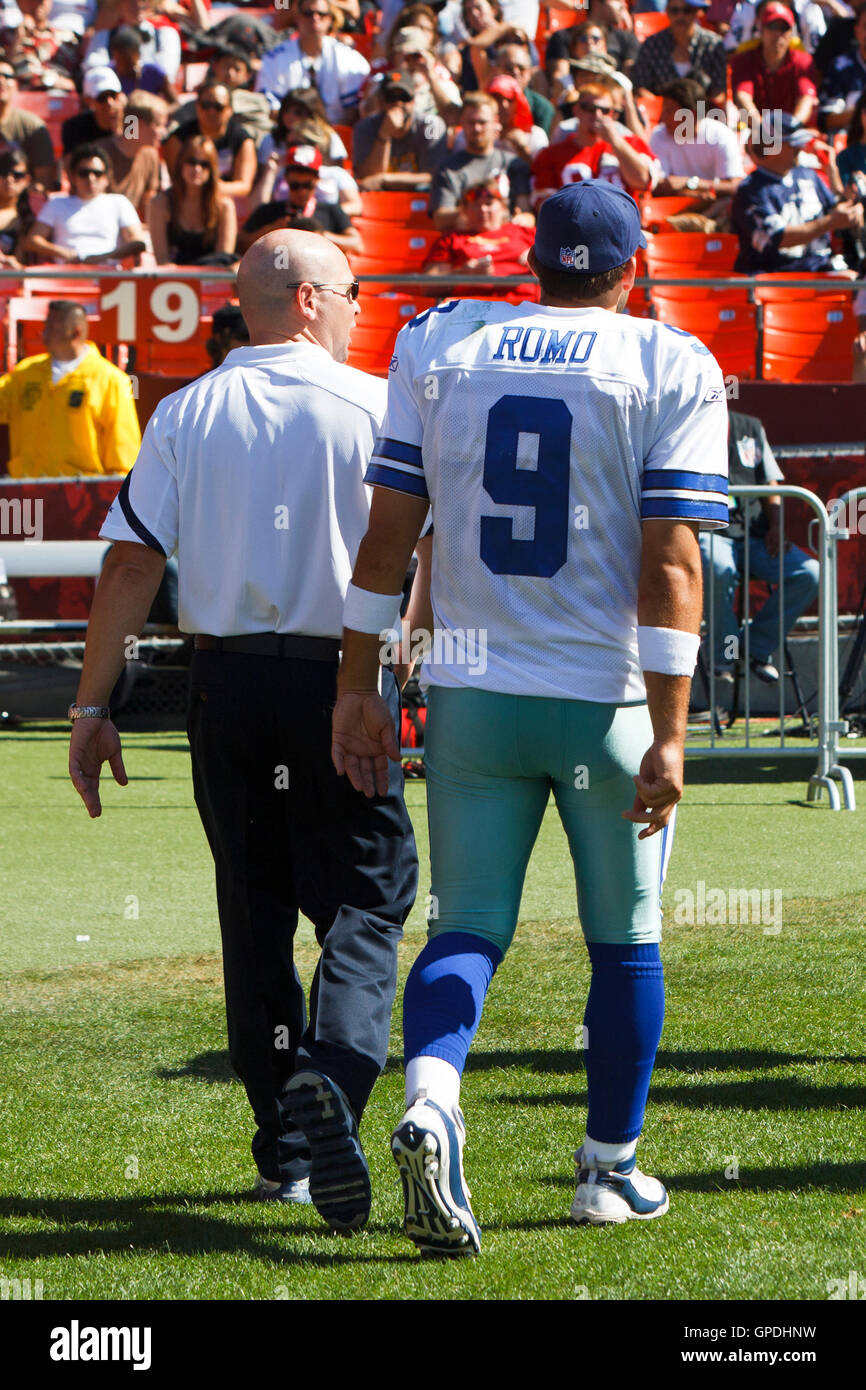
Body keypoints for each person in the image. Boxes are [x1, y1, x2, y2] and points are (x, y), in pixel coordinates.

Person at [331, 178, 729, 1255]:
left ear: (533, 264)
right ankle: (606, 1169)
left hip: (471, 689)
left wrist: (354, 686)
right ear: (630, 270)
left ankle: (428, 1097)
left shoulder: (442, 339)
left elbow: (383, 544)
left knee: (462, 925)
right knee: (625, 943)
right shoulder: (665, 360)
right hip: (599, 696)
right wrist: (672, 728)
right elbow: (670, 561)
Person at [68, 229, 419, 1232]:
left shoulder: (185, 411)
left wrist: (93, 707)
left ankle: (284, 1149)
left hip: (221, 685)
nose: (359, 305)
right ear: (309, 298)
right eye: (350, 290)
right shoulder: (370, 406)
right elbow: (414, 554)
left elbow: (131, 565)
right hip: (340, 678)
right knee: (366, 897)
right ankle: (330, 1080)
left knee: (254, 911)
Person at [700, 409, 819, 685]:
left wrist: (776, 526)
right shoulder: (688, 422)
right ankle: (723, 654)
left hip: (755, 535)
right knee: (718, 568)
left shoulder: (751, 427)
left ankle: (755, 647)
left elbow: (770, 481)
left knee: (810, 573)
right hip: (712, 531)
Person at [0, 299, 140, 476]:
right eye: (45, 325)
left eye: (52, 326)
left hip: (82, 497)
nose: (44, 332)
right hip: (28, 492)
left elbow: (123, 451)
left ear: (76, 332)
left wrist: (113, 492)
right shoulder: (25, 373)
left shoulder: (111, 380)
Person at [731, 111, 862, 271]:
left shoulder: (807, 175)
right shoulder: (751, 190)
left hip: (820, 269)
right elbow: (779, 238)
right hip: (775, 278)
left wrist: (833, 174)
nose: (800, 149)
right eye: (794, 144)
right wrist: (831, 222)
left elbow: (836, 212)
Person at [530, 81, 657, 205]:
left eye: (605, 110)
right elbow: (545, 206)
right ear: (576, 110)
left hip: (624, 223)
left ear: (612, 114)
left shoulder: (631, 144)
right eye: (589, 108)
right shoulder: (552, 154)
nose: (597, 115)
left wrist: (615, 141)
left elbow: (643, 181)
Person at [25, 142, 146, 263]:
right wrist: (65, 254)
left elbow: (137, 242)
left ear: (107, 178)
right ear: (72, 177)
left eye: (97, 173)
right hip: (65, 274)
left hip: (108, 275)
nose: (91, 179)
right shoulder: (56, 203)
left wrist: (103, 258)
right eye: (84, 173)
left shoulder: (119, 202)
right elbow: (32, 240)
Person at [428, 91, 533, 230]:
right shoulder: (448, 168)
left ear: (495, 122)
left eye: (482, 122)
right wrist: (479, 215)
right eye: (471, 122)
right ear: (462, 123)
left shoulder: (513, 164)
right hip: (465, 243)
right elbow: (440, 219)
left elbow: (526, 212)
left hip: (507, 242)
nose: (476, 128)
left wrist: (522, 218)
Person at [255, 0, 370, 126]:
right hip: (288, 135)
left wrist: (323, 135)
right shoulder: (274, 58)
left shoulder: (348, 58)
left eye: (321, 14)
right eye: (308, 13)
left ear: (330, 18)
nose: (315, 18)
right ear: (297, 17)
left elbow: (354, 112)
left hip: (337, 135)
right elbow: (271, 108)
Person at [239, 142, 362, 253]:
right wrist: (271, 230)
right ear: (286, 179)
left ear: (317, 180)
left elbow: (357, 245)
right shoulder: (269, 211)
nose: (302, 192)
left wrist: (320, 235)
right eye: (295, 186)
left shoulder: (331, 210)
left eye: (308, 186)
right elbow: (240, 243)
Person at [422, 172, 534, 278]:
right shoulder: (451, 240)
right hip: (469, 297)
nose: (482, 209)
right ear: (465, 210)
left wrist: (538, 261)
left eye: (489, 204)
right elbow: (430, 284)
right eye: (476, 204)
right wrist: (462, 273)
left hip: (523, 297)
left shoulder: (525, 233)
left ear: (503, 207)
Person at [352, 68, 448, 190]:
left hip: (419, 199)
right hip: (380, 199)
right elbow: (368, 178)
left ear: (413, 101)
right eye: (391, 98)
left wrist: (385, 179)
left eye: (404, 97)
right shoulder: (365, 127)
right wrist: (384, 134)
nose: (398, 103)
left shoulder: (431, 126)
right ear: (380, 102)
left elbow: (433, 175)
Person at [148, 134, 237, 265]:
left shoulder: (224, 206)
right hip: (174, 280)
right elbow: (162, 261)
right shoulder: (160, 203)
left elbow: (223, 258)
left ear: (212, 169)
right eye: (191, 161)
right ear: (180, 163)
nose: (197, 169)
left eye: (204, 164)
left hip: (212, 277)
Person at [650, 77, 745, 196]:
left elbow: (735, 185)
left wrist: (689, 183)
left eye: (669, 111)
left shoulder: (721, 135)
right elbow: (658, 185)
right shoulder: (659, 135)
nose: (662, 118)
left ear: (691, 114)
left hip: (717, 209)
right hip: (673, 209)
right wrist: (698, 194)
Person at [164, 81, 256, 202]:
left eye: (218, 107)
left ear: (229, 110)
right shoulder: (178, 139)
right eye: (206, 105)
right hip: (188, 202)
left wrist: (210, 188)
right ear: (197, 107)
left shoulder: (242, 139)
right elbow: (177, 182)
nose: (211, 111)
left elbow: (244, 186)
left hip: (227, 202)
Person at [731, 3, 818, 126]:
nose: (778, 34)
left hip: (792, 133)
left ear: (791, 33)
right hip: (754, 131)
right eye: (772, 26)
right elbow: (743, 96)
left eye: (784, 28)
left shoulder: (803, 61)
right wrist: (762, 127)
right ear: (761, 29)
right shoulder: (744, 60)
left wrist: (794, 125)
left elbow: (806, 98)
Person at [631, 0, 727, 108]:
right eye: (674, 10)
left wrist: (700, 114)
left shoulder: (713, 44)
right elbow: (640, 87)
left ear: (697, 13)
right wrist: (668, 110)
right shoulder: (652, 44)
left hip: (701, 114)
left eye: (687, 10)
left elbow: (719, 90)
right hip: (661, 115)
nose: (680, 16)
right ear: (667, 11)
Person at [96, 89, 169, 218]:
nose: (163, 131)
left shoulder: (151, 155)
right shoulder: (99, 155)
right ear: (140, 125)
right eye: (158, 125)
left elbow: (148, 207)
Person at [0, 56, 58, 186]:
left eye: (7, 76)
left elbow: (43, 179)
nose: (1, 80)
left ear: (16, 84)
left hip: (20, 200)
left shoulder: (33, 127)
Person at [62, 66, 127, 158]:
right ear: (88, 100)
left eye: (113, 95)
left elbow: (135, 156)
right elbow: (71, 166)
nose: (109, 102)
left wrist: (118, 131)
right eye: (102, 97)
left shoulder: (132, 120)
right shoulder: (74, 128)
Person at [819, 6, 866, 131]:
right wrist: (860, 114)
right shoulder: (840, 67)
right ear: (857, 31)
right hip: (850, 144)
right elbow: (828, 119)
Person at [0, 146, 35, 267]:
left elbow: (24, 264)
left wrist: (13, 265)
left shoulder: (29, 216)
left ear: (27, 179)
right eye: (3, 173)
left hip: (12, 280)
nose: (9, 179)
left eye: (17, 175)